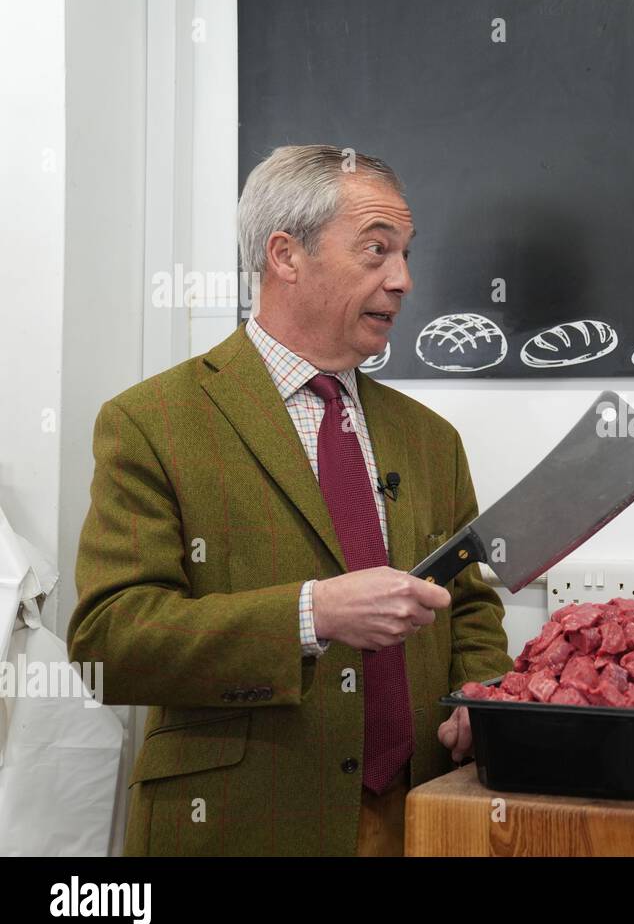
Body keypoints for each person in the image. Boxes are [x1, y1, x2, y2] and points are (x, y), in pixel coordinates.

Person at [67, 145, 513, 856]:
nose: (402, 280)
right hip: (245, 822)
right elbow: (112, 642)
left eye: (404, 254)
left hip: (424, 816)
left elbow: (470, 606)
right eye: (376, 251)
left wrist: (480, 694)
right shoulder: (153, 422)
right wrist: (314, 613)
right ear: (285, 255)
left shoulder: (432, 440)